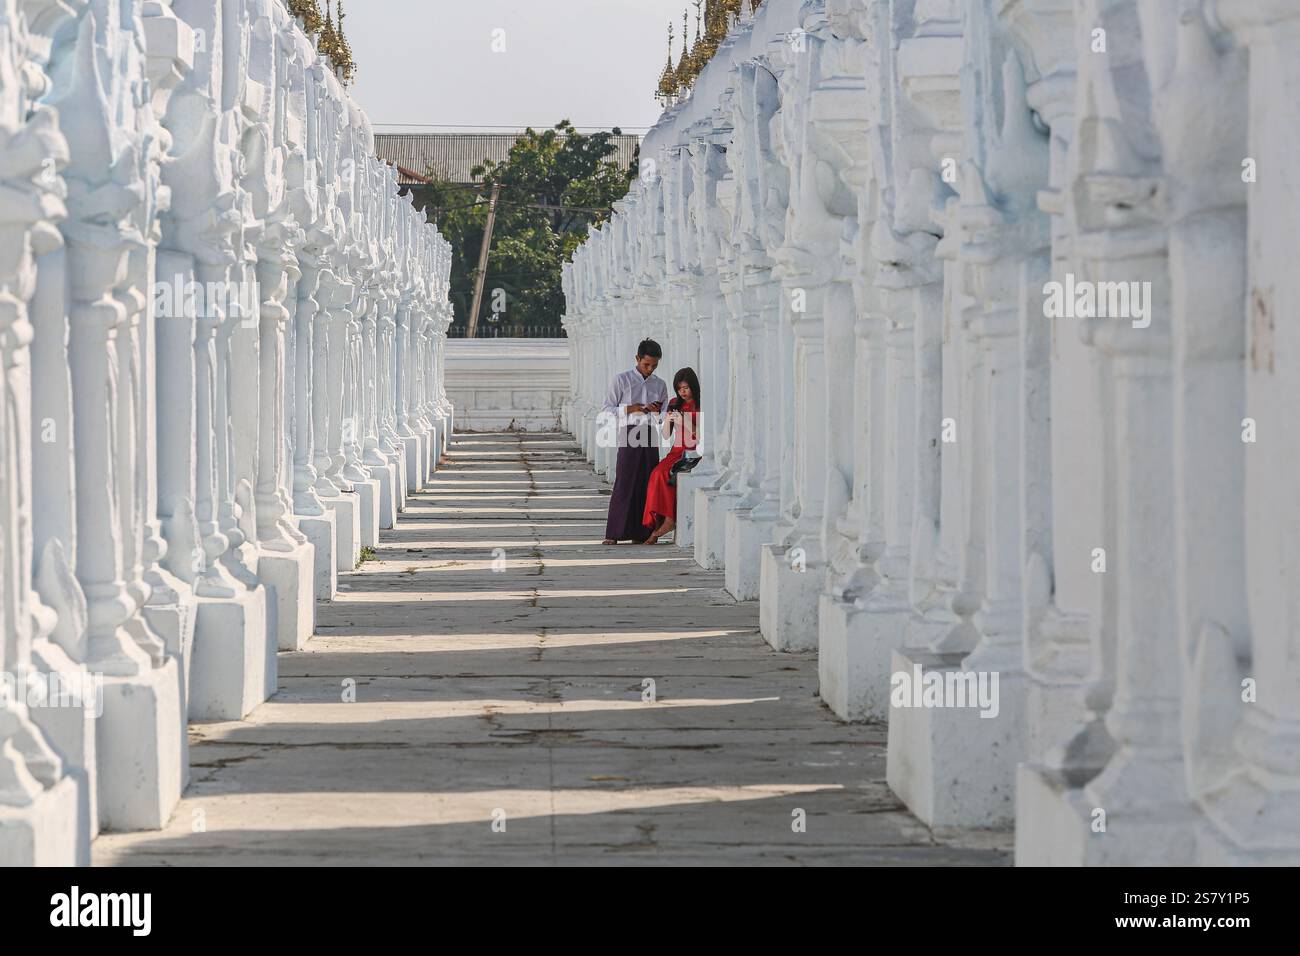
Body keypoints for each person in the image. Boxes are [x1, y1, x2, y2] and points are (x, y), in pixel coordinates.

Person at [601, 339, 669, 545]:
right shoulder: (622, 380)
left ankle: (643, 532)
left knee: (647, 483)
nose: (650, 369)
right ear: (637, 359)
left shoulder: (660, 384)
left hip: (650, 433)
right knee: (625, 480)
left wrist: (657, 413)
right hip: (629, 432)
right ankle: (614, 533)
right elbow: (606, 410)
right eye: (646, 364)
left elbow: (664, 416)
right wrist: (632, 408)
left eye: (654, 365)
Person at [643, 367, 700, 544]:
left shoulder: (700, 405)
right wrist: (667, 418)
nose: (682, 392)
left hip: (694, 451)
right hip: (676, 451)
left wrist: (685, 422)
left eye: (686, 388)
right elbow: (667, 435)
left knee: (667, 476)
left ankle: (668, 521)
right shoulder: (675, 403)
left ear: (693, 387)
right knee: (656, 474)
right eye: (679, 388)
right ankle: (661, 521)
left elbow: (700, 436)